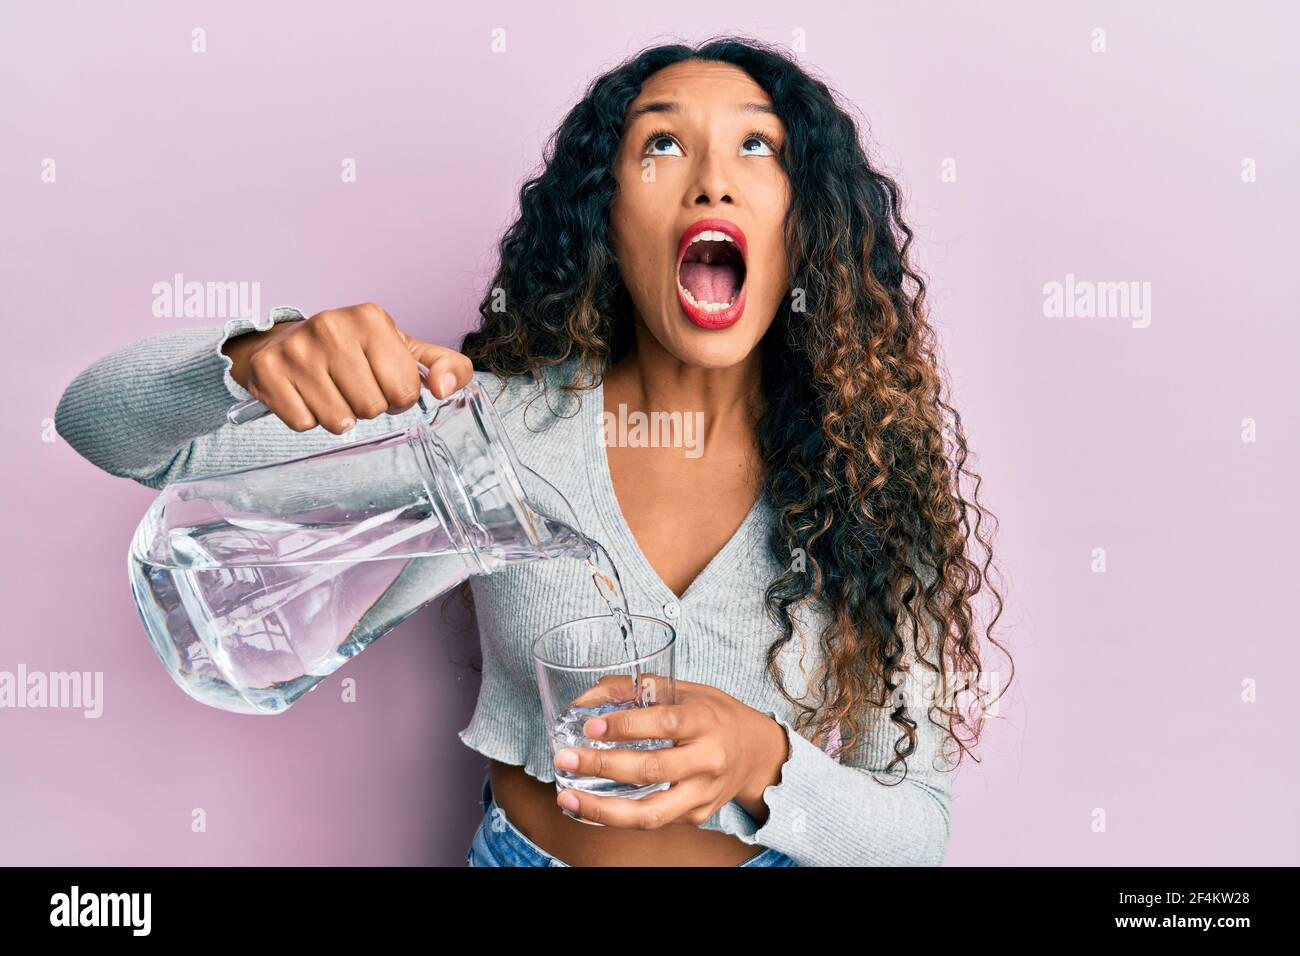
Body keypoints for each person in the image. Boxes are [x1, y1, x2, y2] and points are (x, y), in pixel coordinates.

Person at [55, 36, 1009, 867]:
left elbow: (915, 831)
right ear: (610, 223)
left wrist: (766, 762)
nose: (713, 179)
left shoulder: (870, 484)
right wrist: (249, 360)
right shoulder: (491, 429)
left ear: (805, 228)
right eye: (663, 145)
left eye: (757, 146)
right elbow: (100, 427)